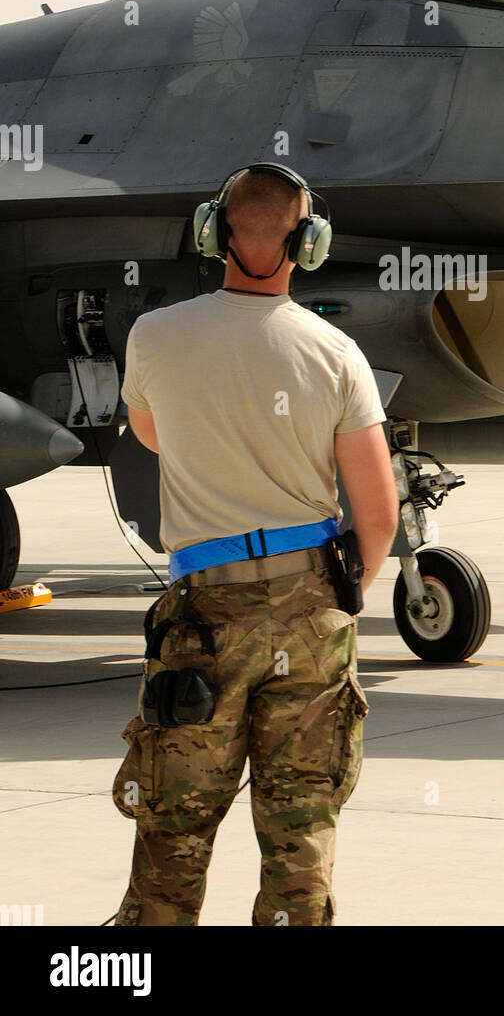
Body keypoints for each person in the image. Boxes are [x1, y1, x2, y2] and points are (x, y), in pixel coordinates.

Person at [111, 162, 399, 926]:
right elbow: (378, 513)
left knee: (173, 832)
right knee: (300, 833)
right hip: (313, 607)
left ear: (214, 233)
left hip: (204, 610)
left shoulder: (155, 335)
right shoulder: (336, 353)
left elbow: (151, 436)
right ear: (309, 242)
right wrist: (340, 599)